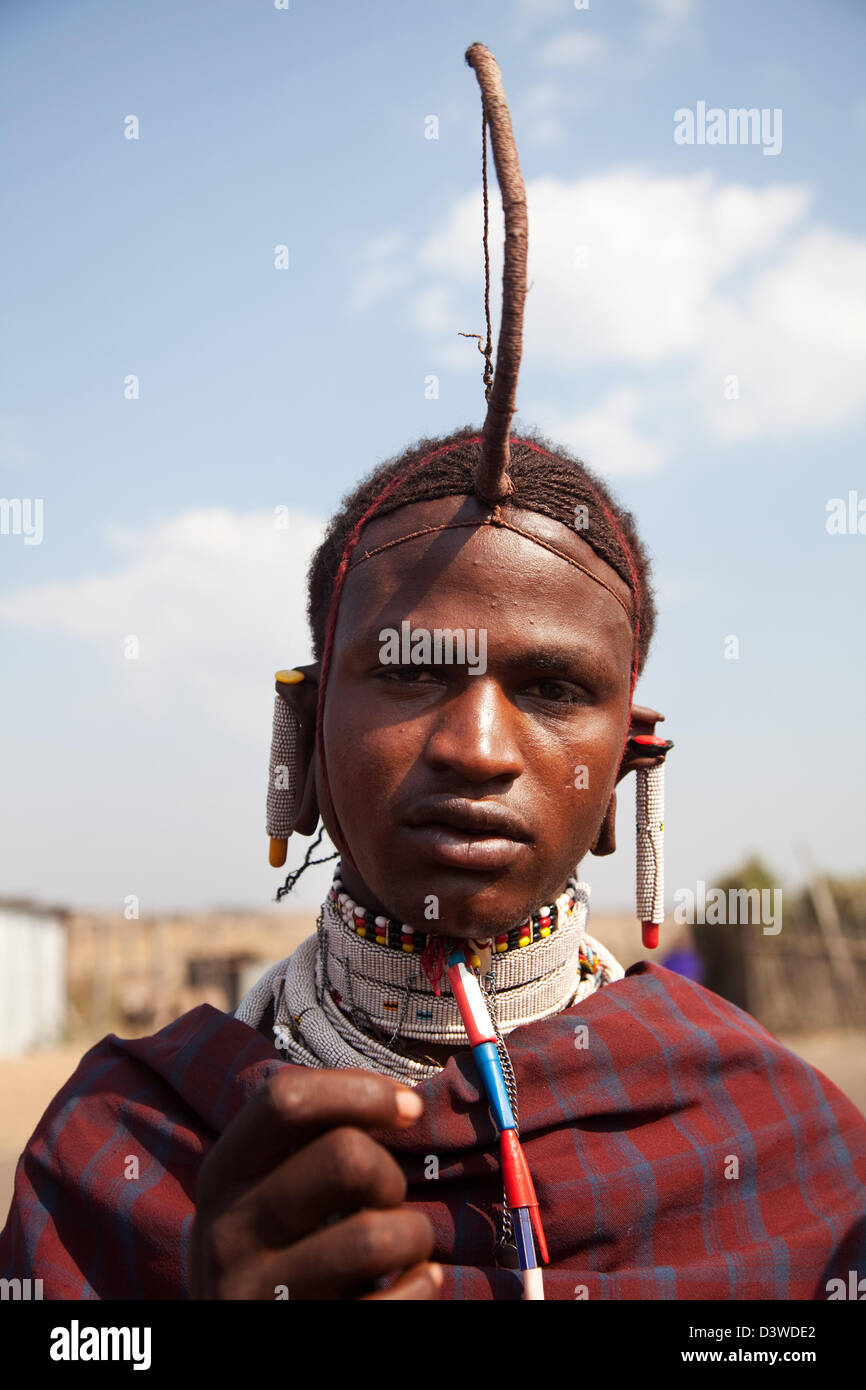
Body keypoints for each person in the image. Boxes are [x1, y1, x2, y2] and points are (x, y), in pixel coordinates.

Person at [2, 424, 865, 1301]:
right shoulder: (116, 1144)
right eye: (411, 672)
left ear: (623, 773)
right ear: (302, 740)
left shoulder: (783, 1145)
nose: (478, 748)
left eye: (553, 688)